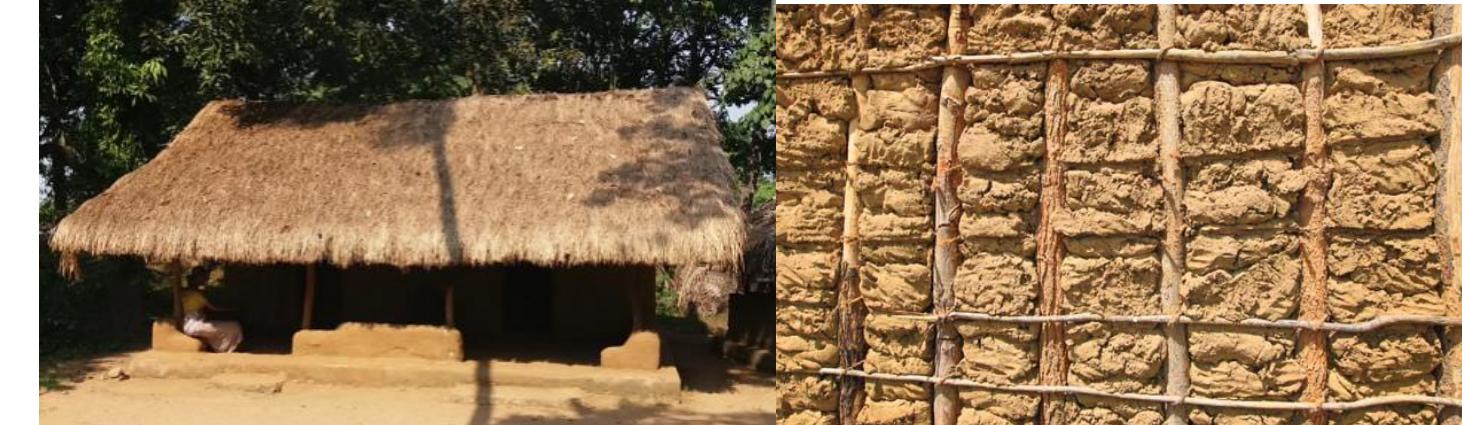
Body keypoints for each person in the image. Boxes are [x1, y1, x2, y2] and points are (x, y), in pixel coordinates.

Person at [180, 284, 244, 353]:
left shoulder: (185, 295)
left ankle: (223, 348)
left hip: (191, 325)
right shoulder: (196, 295)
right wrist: (232, 310)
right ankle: (226, 349)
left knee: (228, 327)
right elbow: (213, 308)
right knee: (233, 326)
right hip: (194, 326)